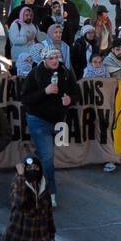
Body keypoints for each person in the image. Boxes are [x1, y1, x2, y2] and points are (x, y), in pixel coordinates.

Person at [21, 45, 79, 207]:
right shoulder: (35, 74)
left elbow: (76, 93)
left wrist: (70, 100)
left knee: (42, 154)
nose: (55, 61)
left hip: (59, 121)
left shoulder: (66, 73)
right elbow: (25, 98)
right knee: (48, 157)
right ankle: (50, 192)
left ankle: (27, 166)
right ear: (44, 59)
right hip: (38, 120)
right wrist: (44, 92)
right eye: (51, 58)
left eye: (56, 57)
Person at [8, 4, 42, 78]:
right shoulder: (16, 25)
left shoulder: (33, 25)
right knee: (18, 78)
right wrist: (27, 38)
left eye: (30, 15)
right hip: (18, 57)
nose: (29, 17)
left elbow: (39, 38)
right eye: (26, 15)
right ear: (22, 15)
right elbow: (14, 40)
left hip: (31, 58)